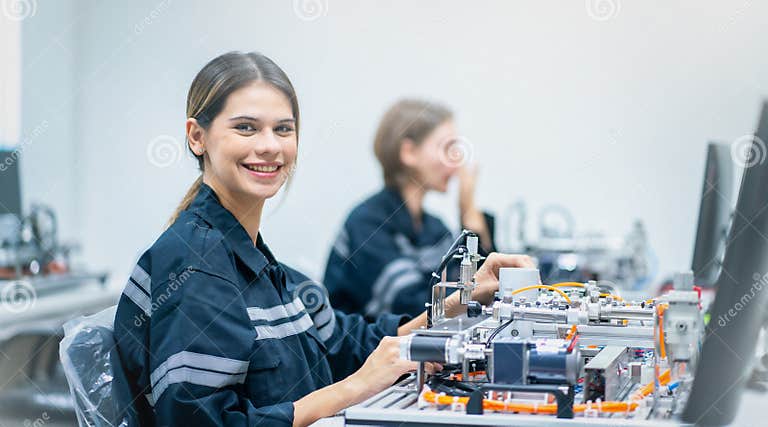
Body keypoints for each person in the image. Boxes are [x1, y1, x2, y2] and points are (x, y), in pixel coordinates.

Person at [112, 51, 533, 427]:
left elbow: (349, 345)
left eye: (283, 129)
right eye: (245, 128)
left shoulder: (262, 266)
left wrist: (461, 298)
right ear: (196, 136)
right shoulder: (197, 266)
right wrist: (354, 389)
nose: (269, 146)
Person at [323, 99, 496, 318]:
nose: (457, 162)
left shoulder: (435, 228)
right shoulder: (366, 223)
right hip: (370, 352)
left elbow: (475, 290)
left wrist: (468, 212)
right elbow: (413, 306)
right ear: (409, 152)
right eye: (447, 148)